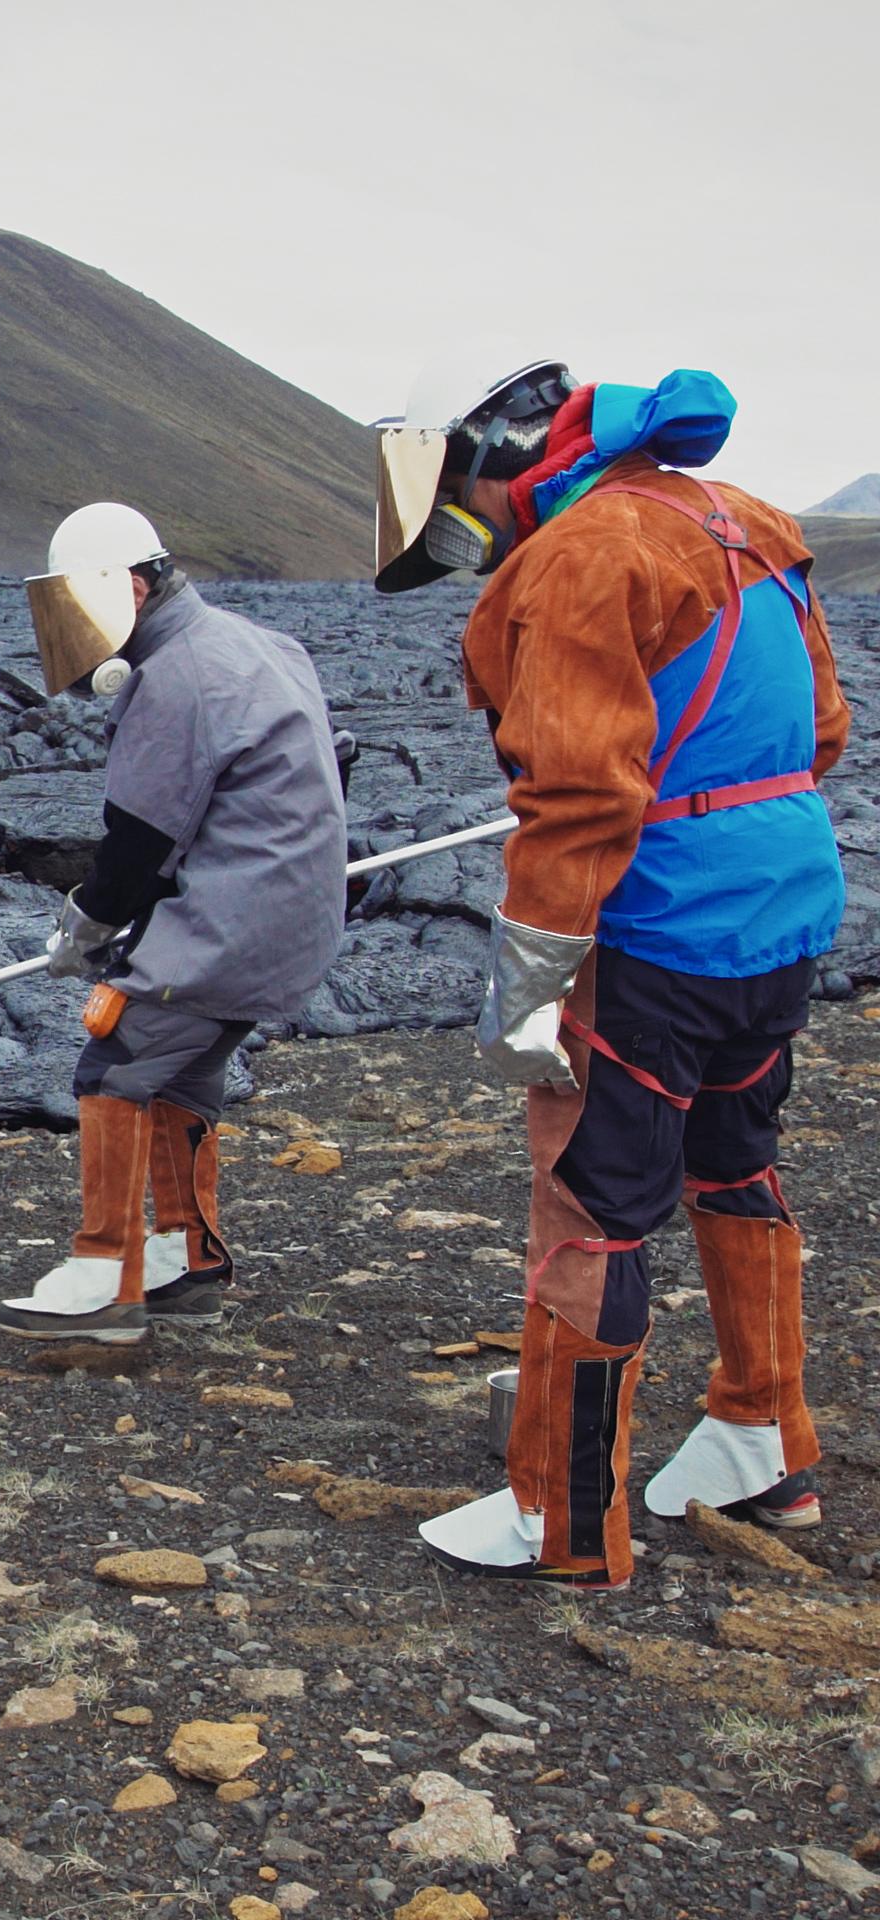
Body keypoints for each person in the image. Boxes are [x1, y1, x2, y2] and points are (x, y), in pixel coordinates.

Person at [373, 361, 850, 1589]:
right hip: (782, 907)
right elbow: (825, 729)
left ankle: (562, 1518)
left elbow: (582, 790)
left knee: (588, 1208)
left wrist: (529, 971)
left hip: (658, 927)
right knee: (734, 1159)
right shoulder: (747, 521)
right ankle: (762, 1438)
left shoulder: (580, 555)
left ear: (500, 470)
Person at [0, 503, 348, 1344]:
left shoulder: (179, 676)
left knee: (113, 1064)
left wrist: (83, 929)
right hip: (289, 912)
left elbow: (141, 843)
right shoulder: (252, 642)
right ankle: (188, 1255)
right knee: (182, 1075)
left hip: (235, 918)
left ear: (139, 587)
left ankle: (103, 1277)